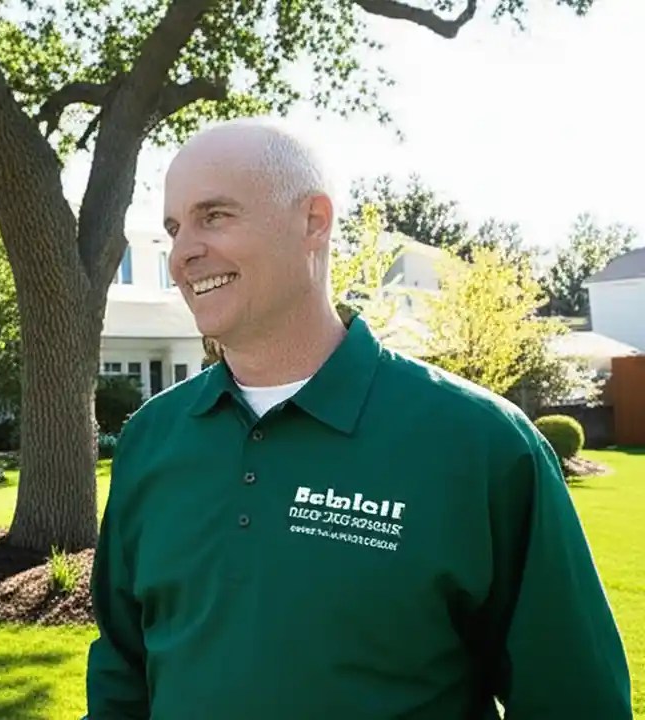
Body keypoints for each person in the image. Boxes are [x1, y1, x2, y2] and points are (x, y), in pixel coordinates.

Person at [84, 118, 631, 719]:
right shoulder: (152, 439)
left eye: (214, 216)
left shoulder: (481, 444)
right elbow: (121, 674)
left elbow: (575, 700)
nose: (182, 252)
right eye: (173, 228)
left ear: (313, 221)